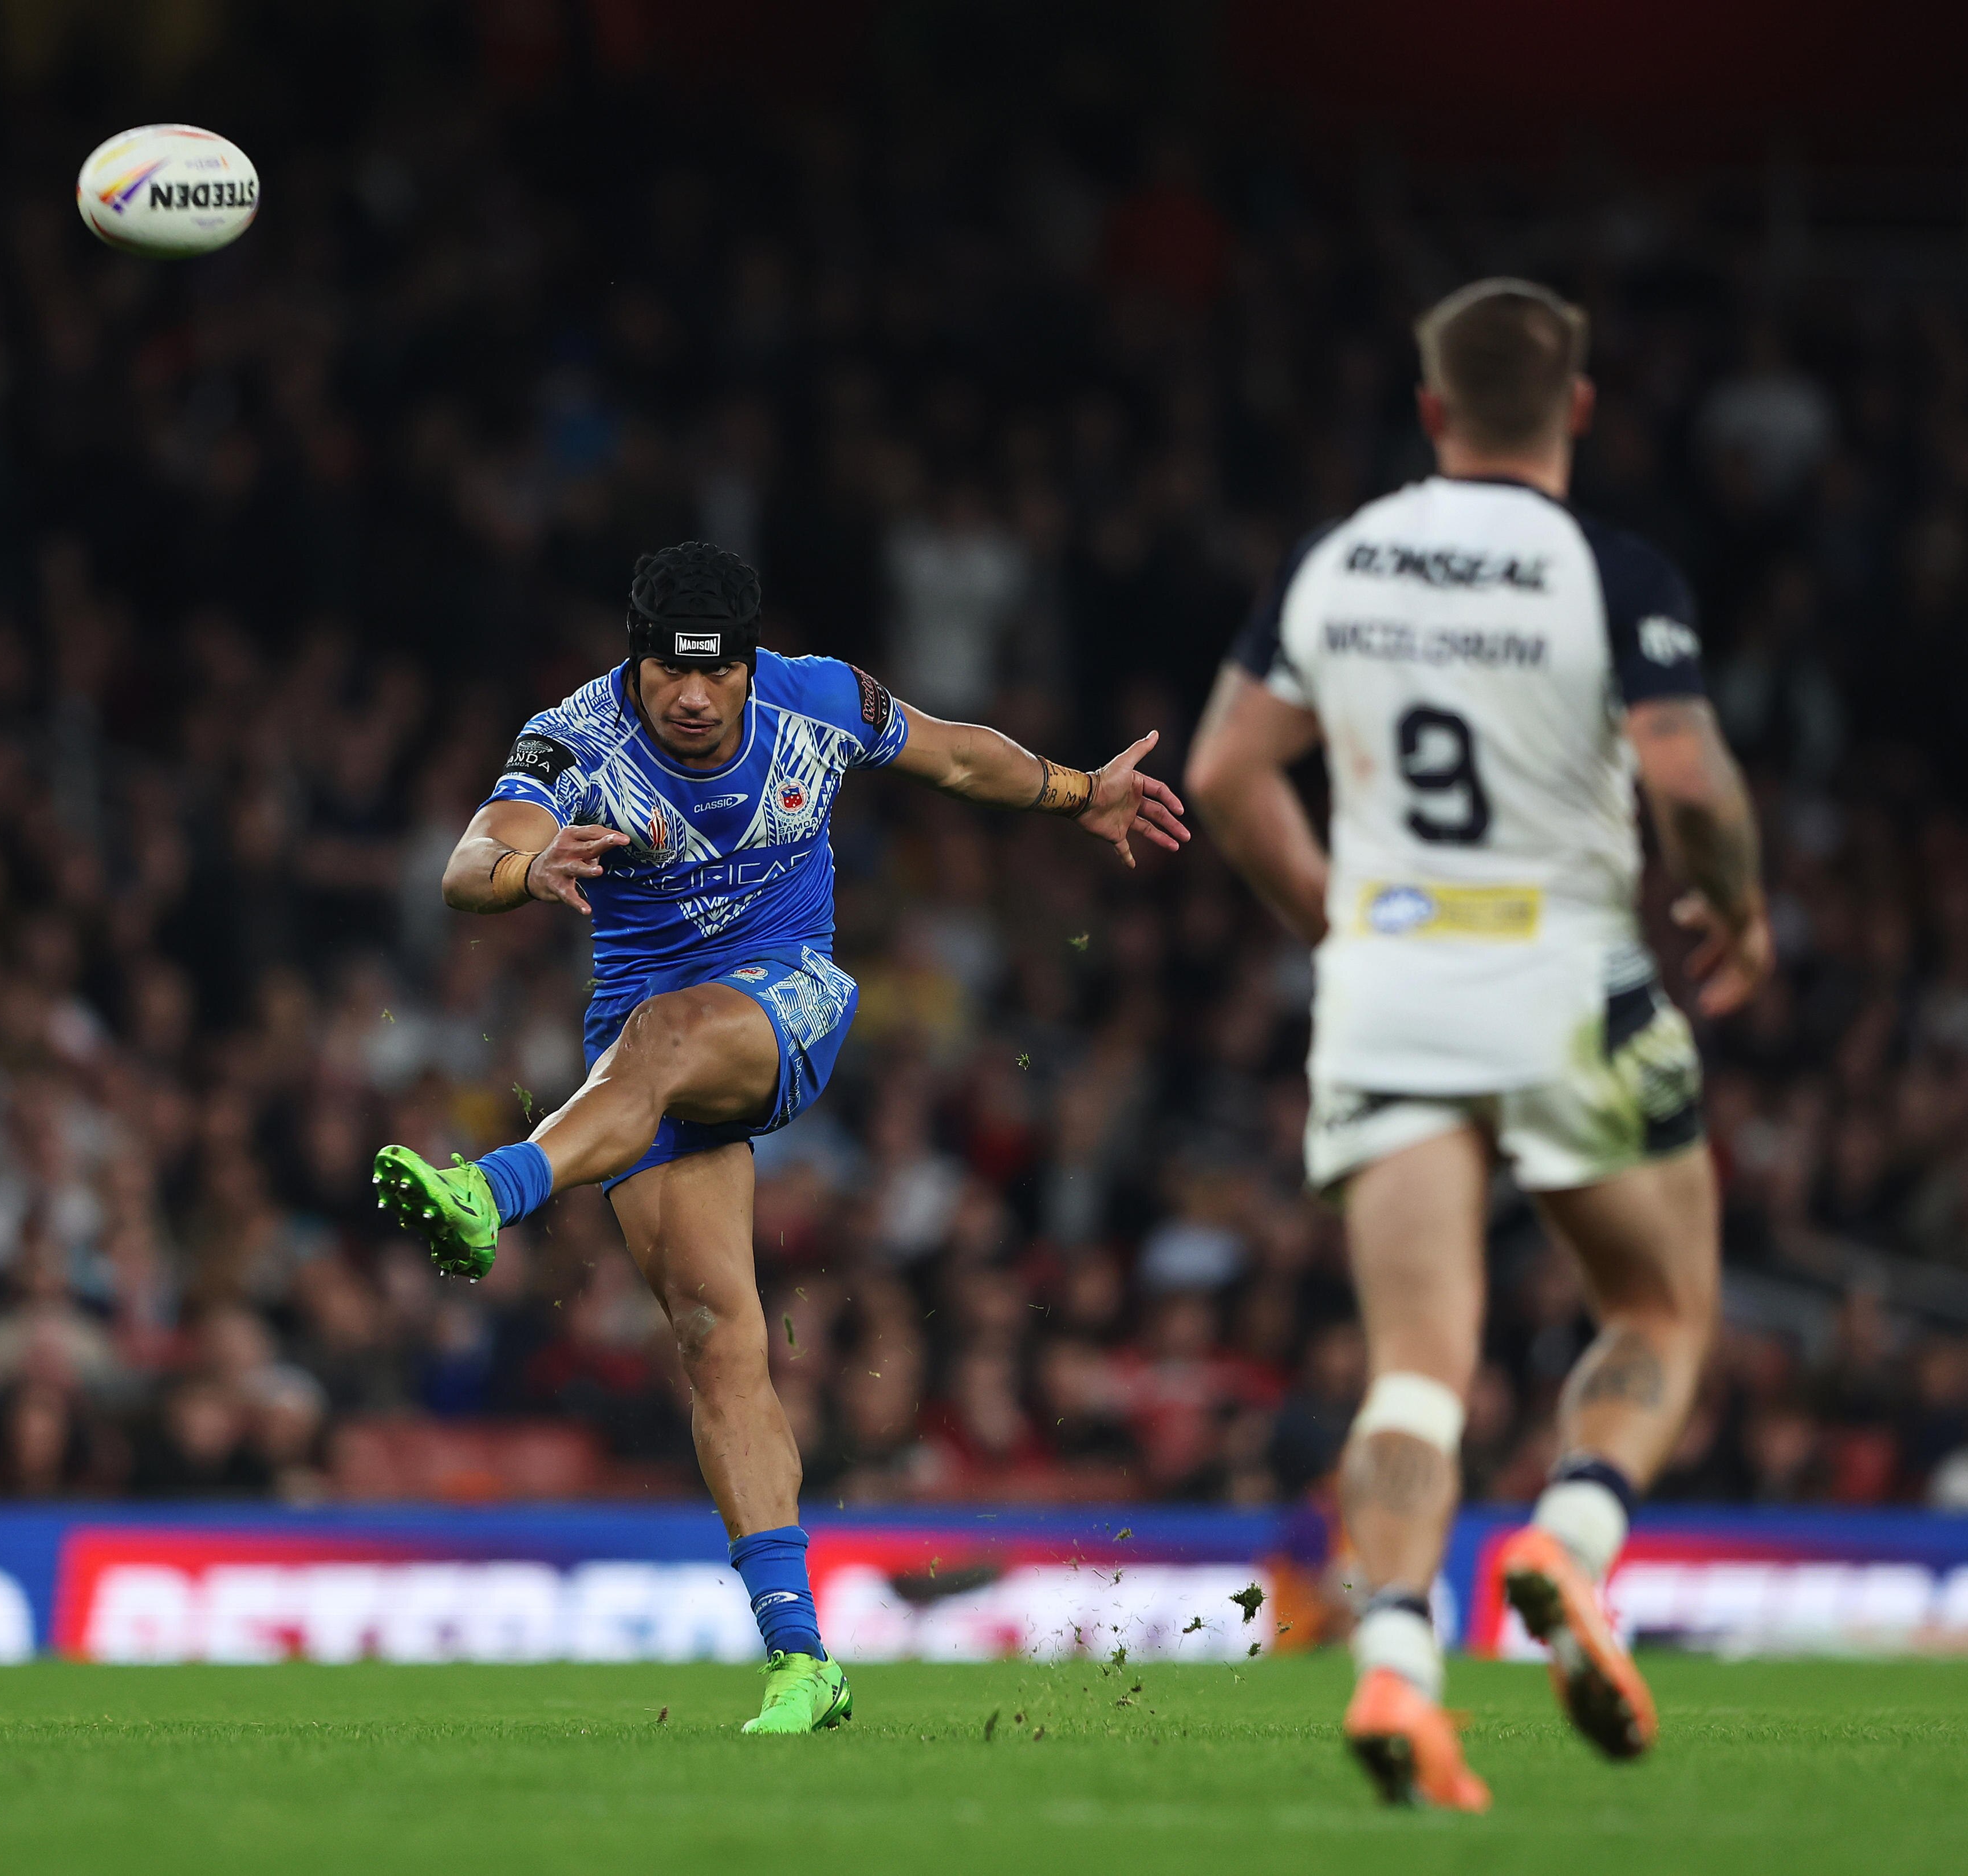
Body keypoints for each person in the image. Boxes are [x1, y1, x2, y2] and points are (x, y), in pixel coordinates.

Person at [369, 541, 1186, 1731]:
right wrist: (525, 863)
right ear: (635, 662)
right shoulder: (575, 734)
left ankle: (488, 1196)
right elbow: (464, 863)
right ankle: (803, 1659)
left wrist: (1077, 792)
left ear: (751, 666)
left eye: (717, 676)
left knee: (659, 1032)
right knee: (717, 1343)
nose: (693, 699)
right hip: (639, 1075)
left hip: (783, 1002)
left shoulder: (821, 699)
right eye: (669, 676)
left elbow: (957, 752)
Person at [1186, 278, 1770, 1809]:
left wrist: (1340, 928)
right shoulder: (1606, 568)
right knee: (1658, 1308)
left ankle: (1396, 1658)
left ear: (1432, 411)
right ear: (1576, 408)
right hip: (1567, 977)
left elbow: (1230, 770)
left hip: (1393, 991)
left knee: (1415, 1370)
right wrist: (1740, 910)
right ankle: (1569, 1541)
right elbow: (1691, 779)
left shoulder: (1339, 560)